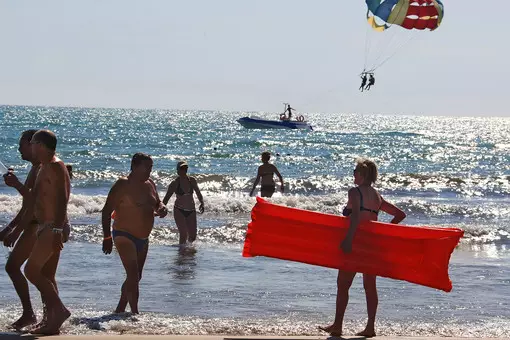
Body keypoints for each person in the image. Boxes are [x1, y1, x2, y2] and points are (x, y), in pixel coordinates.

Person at [319, 158, 406, 338]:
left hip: (356, 242)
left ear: (362, 174)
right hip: (372, 245)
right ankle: (370, 327)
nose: (353, 174)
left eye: (355, 171)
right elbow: (400, 214)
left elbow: (356, 216)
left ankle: (338, 326)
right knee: (370, 286)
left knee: (343, 284)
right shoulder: (376, 196)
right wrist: (383, 232)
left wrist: (348, 241)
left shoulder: (354, 192)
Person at [101, 153, 168, 314]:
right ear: (134, 166)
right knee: (132, 275)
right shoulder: (122, 184)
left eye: (151, 167)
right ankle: (135, 313)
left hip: (143, 238)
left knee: (136, 277)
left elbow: (157, 202)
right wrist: (106, 237)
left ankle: (120, 309)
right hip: (124, 235)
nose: (150, 171)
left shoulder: (150, 183)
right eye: (147, 167)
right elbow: (106, 211)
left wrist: (162, 208)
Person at [23, 129, 72, 335]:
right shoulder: (43, 166)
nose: (31, 147)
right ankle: (50, 321)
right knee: (46, 274)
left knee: (31, 271)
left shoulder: (55, 166)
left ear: (41, 145)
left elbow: (62, 199)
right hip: (47, 226)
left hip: (53, 226)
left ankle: (59, 311)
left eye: (33, 143)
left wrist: (58, 230)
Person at [0, 130, 40, 330]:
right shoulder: (35, 168)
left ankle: (30, 314)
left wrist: (15, 232)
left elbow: (34, 203)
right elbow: (27, 205)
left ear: (33, 144)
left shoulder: (41, 168)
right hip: (35, 224)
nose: (18, 148)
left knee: (14, 267)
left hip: (38, 225)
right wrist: (9, 227)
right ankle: (46, 314)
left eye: (21, 144)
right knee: (42, 274)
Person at [162, 161, 204, 246]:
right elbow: (166, 198)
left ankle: (187, 250)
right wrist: (160, 209)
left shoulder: (192, 180)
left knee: (192, 236)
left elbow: (198, 192)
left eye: (185, 168)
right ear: (177, 170)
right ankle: (181, 254)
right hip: (179, 210)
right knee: (183, 234)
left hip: (191, 211)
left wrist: (202, 203)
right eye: (182, 168)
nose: (184, 170)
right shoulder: (175, 183)